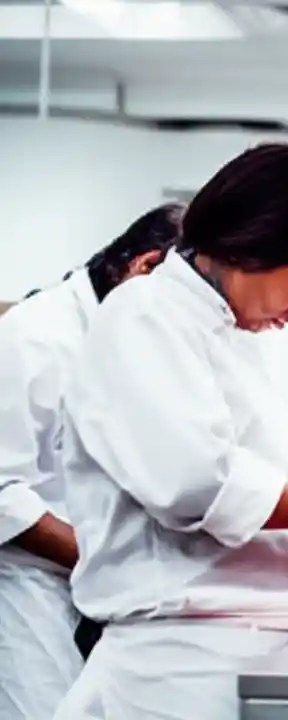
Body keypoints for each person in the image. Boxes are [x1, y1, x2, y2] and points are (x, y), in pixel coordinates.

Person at [53, 143, 288, 720]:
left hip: (238, 658)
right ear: (252, 246)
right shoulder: (142, 315)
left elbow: (275, 495)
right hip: (176, 668)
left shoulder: (227, 338)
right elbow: (193, 485)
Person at [0, 204, 180, 719]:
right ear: (143, 268)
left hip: (101, 593)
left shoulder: (125, 338)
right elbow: (2, 490)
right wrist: (106, 559)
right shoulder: (34, 336)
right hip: (27, 590)